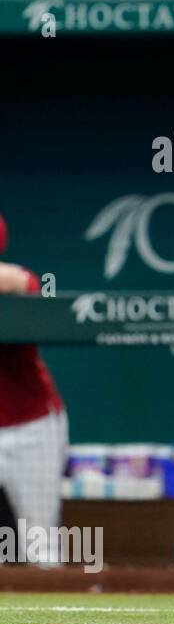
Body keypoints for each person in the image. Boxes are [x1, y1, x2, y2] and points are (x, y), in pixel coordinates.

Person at [0, 212, 69, 566]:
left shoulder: (16, 280)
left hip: (31, 424)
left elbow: (20, 281)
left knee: (41, 548)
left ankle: (53, 622)